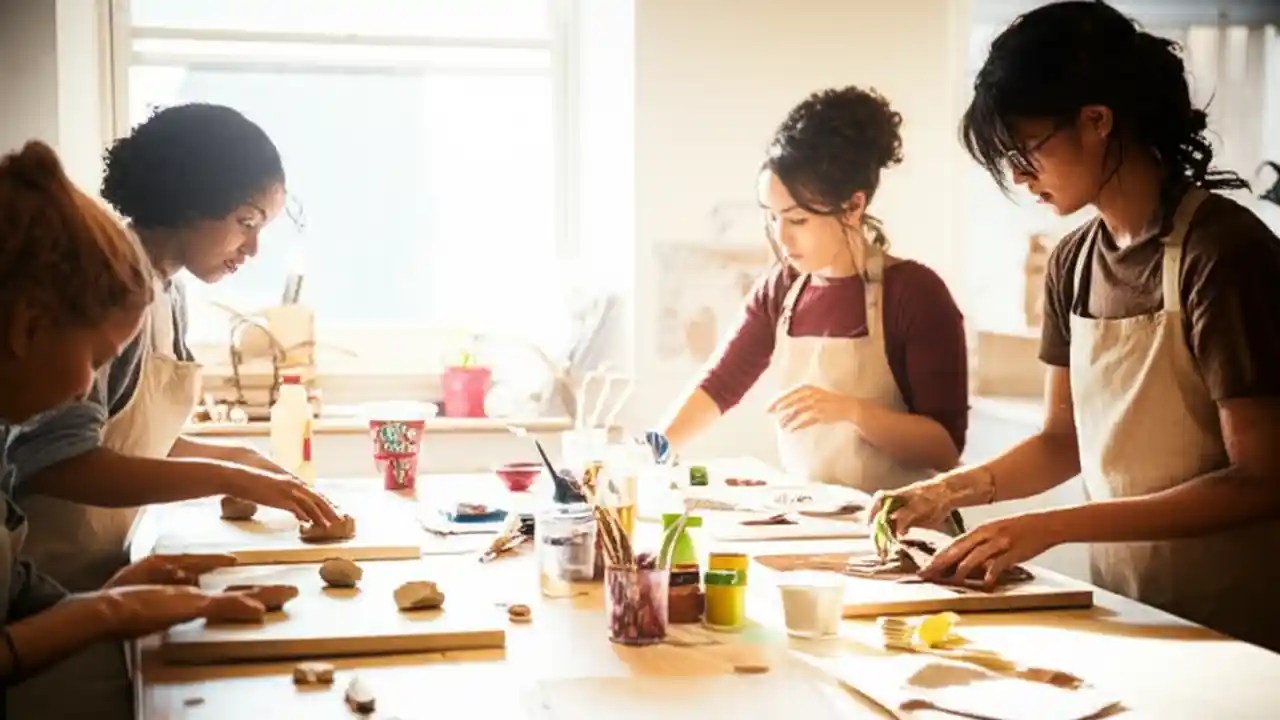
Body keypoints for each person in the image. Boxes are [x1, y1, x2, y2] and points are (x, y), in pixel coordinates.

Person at [871, 1, 1280, 653]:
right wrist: (949, 489)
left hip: (1239, 619)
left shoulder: (1223, 253)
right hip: (1132, 604)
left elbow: (1262, 477)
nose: (1017, 177)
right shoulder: (1074, 261)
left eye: (1026, 151)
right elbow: (1063, 441)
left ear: (1096, 120)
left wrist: (1053, 525)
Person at [1, 105, 338, 716]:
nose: (252, 248)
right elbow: (58, 456)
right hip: (53, 572)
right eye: (245, 222)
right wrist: (228, 477)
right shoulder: (109, 284)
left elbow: (131, 435)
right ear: (189, 201)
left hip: (68, 591)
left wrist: (240, 459)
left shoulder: (167, 290)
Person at [658, 86, 969, 502]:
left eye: (798, 220)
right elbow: (719, 386)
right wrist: (648, 453)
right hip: (813, 521)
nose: (781, 237)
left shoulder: (914, 293)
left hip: (902, 532)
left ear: (853, 206)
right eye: (772, 218)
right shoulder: (782, 289)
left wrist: (852, 412)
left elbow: (945, 449)